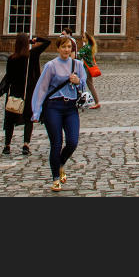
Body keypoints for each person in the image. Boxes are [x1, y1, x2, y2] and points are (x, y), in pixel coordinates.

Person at [31, 36, 89, 191]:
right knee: (56, 143)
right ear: (58, 48)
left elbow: (84, 83)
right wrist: (36, 112)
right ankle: (56, 177)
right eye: (63, 47)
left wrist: (78, 81)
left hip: (70, 108)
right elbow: (42, 88)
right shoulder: (51, 66)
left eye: (69, 47)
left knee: (72, 142)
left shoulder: (77, 65)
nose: (66, 50)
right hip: (53, 107)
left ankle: (61, 163)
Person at [0, 32, 50, 154]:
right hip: (28, 92)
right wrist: (36, 40)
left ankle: (7, 145)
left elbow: (8, 77)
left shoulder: (11, 58)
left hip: (14, 92)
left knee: (10, 120)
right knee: (28, 119)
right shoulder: (32, 55)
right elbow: (48, 42)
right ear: (27, 43)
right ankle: (26, 145)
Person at [76, 33, 101, 109]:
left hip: (87, 68)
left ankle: (96, 102)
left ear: (87, 38)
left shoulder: (86, 47)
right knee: (89, 84)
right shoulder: (90, 46)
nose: (82, 38)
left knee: (89, 85)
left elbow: (78, 56)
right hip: (90, 67)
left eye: (83, 37)